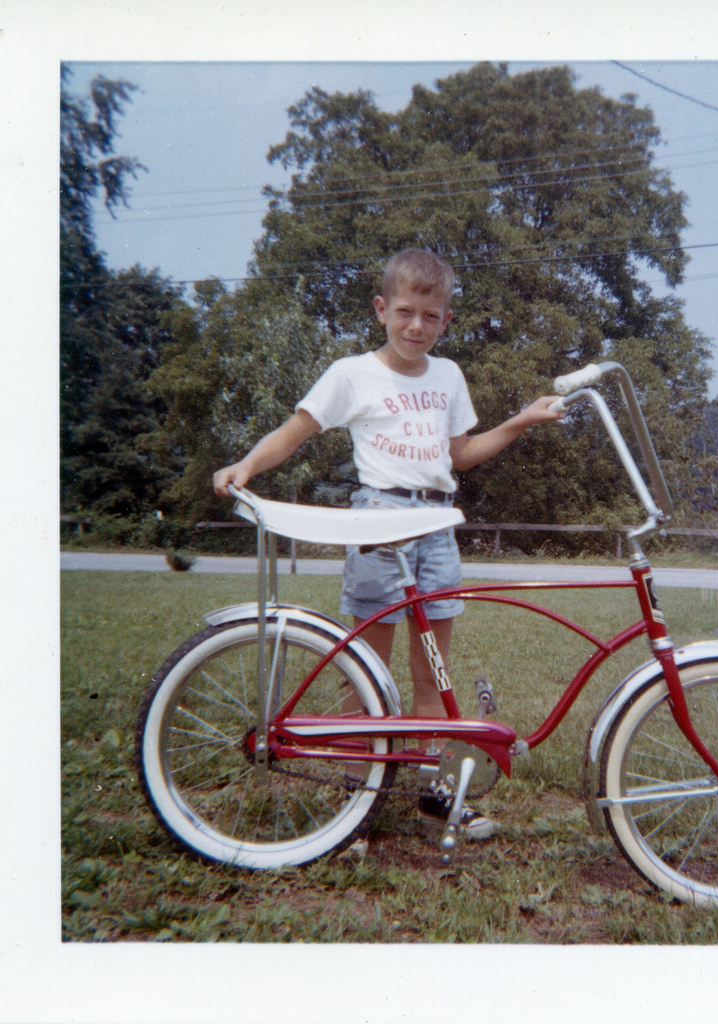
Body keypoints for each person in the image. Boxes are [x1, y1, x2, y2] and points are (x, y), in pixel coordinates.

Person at [212, 248, 563, 839]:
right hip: (378, 521)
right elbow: (298, 430)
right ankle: (356, 790)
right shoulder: (353, 373)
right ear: (381, 309)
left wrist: (520, 421)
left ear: (445, 320)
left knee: (434, 674)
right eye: (404, 312)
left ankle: (435, 792)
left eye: (430, 316)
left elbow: (459, 456)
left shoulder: (448, 376)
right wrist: (247, 464)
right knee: (364, 670)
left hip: (437, 524)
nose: (416, 326)